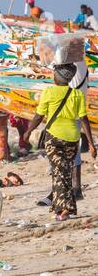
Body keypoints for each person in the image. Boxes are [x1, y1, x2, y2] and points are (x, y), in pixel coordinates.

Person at [23, 62, 93, 220]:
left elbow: (39, 116)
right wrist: (91, 143)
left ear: (58, 77)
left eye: (54, 73)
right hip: (73, 139)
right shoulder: (77, 94)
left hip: (54, 137)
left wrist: (28, 131)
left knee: (59, 172)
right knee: (64, 172)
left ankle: (64, 209)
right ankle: (60, 207)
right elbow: (84, 119)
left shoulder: (48, 92)